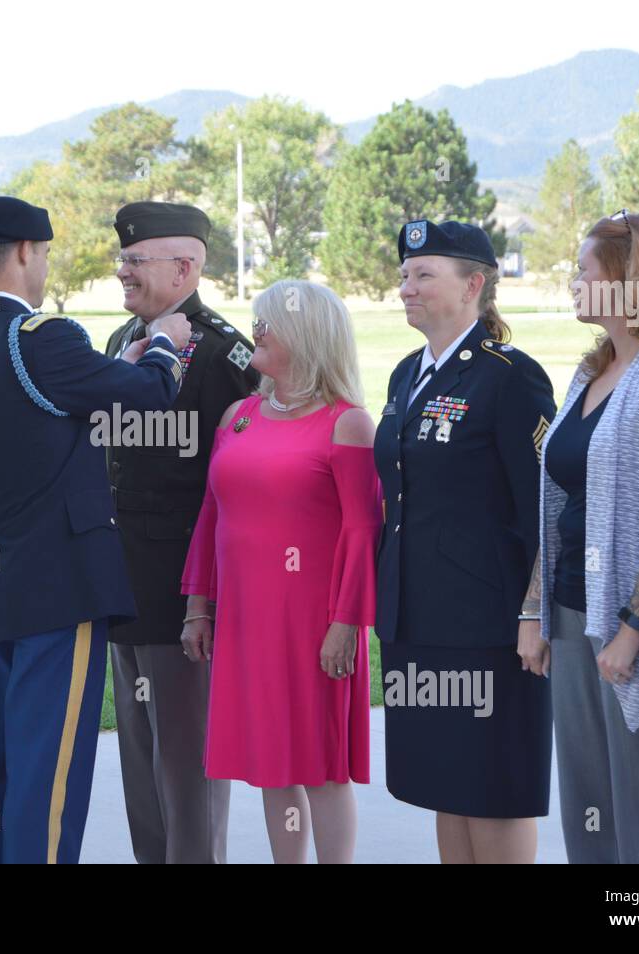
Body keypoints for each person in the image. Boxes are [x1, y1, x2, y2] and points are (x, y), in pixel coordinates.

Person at [0, 195, 188, 864]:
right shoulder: (43, 339)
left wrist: (117, 369)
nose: (44, 268)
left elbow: (55, 413)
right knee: (48, 770)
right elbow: (150, 396)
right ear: (23, 253)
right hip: (58, 583)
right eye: (43, 254)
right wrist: (165, 346)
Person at [524, 211, 639, 864]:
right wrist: (534, 611)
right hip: (574, 616)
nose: (572, 282)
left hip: (637, 627)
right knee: (590, 814)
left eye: (583, 271)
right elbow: (561, 504)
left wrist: (634, 625)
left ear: (626, 280)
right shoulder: (588, 372)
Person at [180, 280, 381, 864]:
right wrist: (199, 605)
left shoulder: (348, 424)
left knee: (319, 763)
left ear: (307, 335)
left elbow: (363, 532)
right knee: (271, 763)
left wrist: (348, 624)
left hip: (313, 620)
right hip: (246, 618)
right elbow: (212, 514)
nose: (255, 330)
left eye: (267, 322)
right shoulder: (238, 415)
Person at [374, 220, 555, 864]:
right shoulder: (407, 374)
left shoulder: (510, 377)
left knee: (494, 788)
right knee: (444, 785)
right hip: (417, 617)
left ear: (473, 284)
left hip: (489, 623)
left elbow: (547, 509)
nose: (406, 288)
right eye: (403, 275)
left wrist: (535, 612)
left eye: (424, 275)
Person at [103, 201, 258, 865]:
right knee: (140, 768)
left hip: (186, 598)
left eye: (136, 261)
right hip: (121, 585)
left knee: (188, 776)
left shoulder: (226, 353)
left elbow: (239, 487)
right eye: (124, 259)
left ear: (185, 266)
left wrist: (212, 600)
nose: (123, 271)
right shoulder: (119, 341)